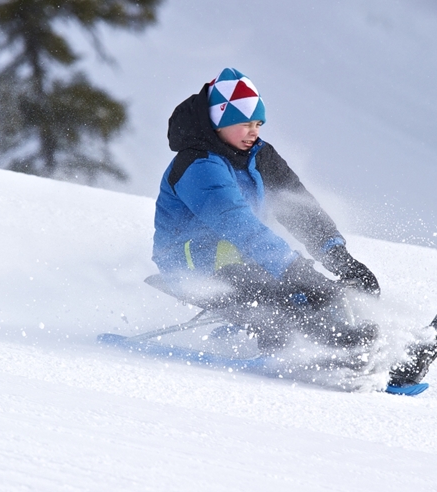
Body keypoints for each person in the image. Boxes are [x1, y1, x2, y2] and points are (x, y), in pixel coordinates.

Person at [151, 68, 380, 352]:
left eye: (258, 123)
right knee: (284, 296)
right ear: (218, 121)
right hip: (193, 265)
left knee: (305, 290)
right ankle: (344, 351)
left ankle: (387, 346)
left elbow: (299, 206)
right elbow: (237, 224)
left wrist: (338, 257)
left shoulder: (258, 155)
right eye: (244, 123)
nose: (254, 132)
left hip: (246, 256)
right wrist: (295, 271)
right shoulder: (198, 165)